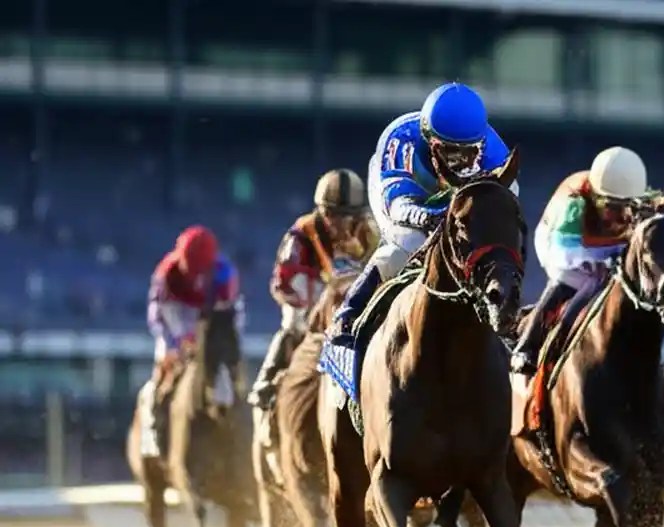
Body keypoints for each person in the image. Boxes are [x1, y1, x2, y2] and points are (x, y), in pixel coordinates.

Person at [325, 81, 519, 349]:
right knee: (406, 246)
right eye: (452, 153)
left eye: (471, 152)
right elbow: (397, 206)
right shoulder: (402, 144)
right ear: (430, 143)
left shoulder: (495, 154)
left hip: (455, 204)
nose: (463, 163)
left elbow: (505, 203)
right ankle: (348, 314)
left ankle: (504, 314)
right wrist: (431, 217)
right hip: (410, 197)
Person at [509, 146, 651, 379]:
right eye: (613, 208)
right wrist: (610, 255)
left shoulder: (631, 195)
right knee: (578, 281)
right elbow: (566, 253)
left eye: (629, 207)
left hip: (598, 244)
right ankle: (527, 347)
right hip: (559, 243)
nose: (622, 216)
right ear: (595, 197)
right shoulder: (574, 204)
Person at [246, 169, 376, 409]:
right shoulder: (303, 233)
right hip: (308, 299)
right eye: (331, 215)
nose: (339, 223)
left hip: (353, 299)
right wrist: (315, 301)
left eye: (347, 216)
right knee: (292, 327)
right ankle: (266, 381)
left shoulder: (371, 233)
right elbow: (286, 277)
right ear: (320, 210)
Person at [139, 225, 243, 456]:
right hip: (175, 317)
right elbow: (157, 315)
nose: (194, 274)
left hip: (210, 318)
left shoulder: (225, 274)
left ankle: (236, 429)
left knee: (226, 371)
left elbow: (232, 317)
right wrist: (173, 343)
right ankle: (153, 432)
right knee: (160, 378)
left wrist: (219, 344)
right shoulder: (166, 273)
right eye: (189, 266)